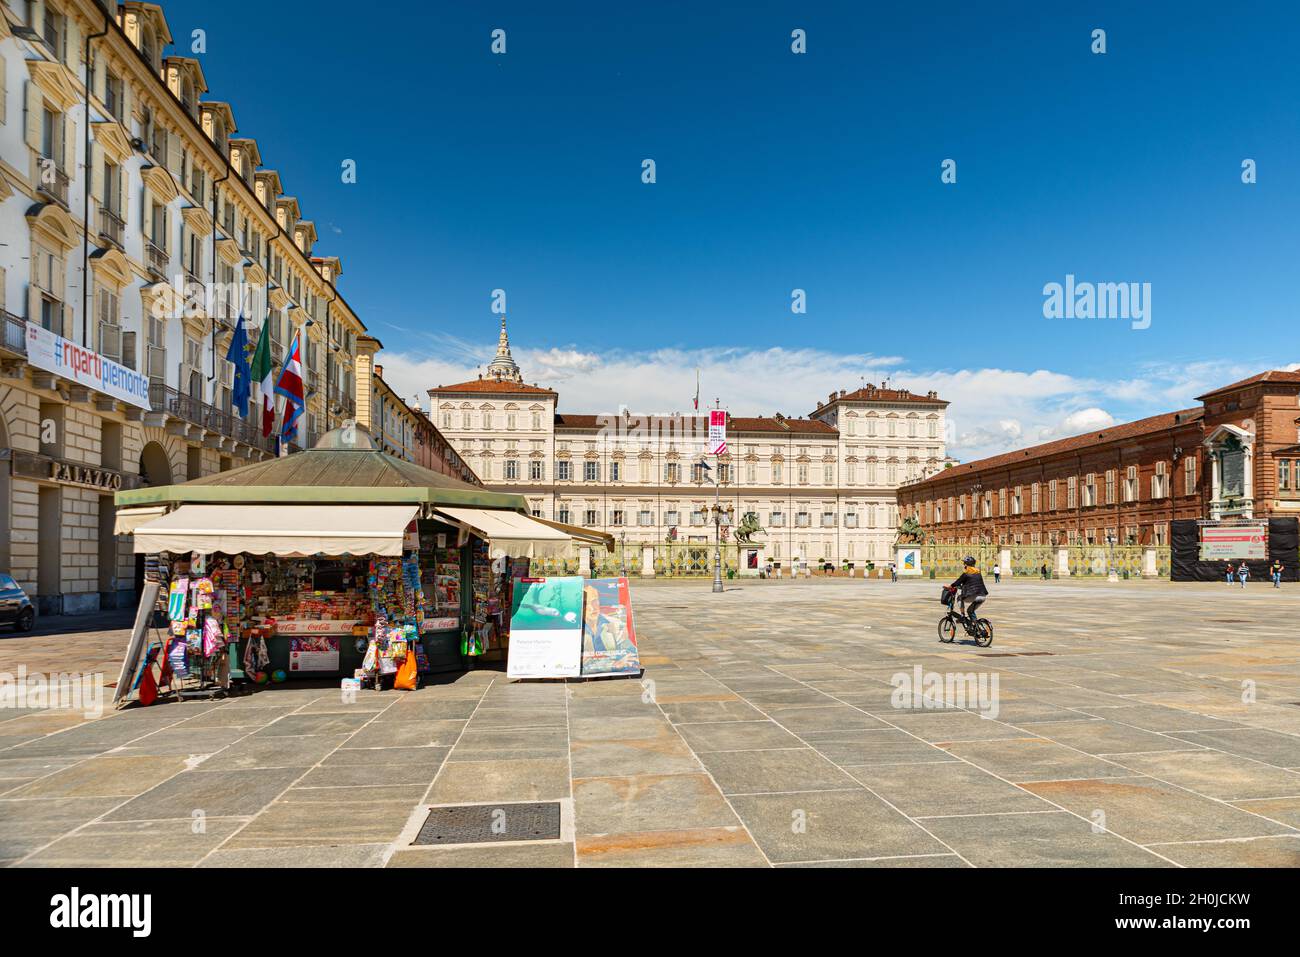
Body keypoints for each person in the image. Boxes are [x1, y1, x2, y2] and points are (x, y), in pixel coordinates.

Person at [949, 555, 989, 625]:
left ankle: (962, 616)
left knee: (959, 598)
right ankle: (976, 627)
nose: (964, 565)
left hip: (973, 595)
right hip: (983, 596)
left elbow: (957, 582)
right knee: (970, 611)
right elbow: (972, 583)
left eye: (964, 563)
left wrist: (950, 586)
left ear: (966, 565)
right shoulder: (978, 573)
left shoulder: (966, 574)